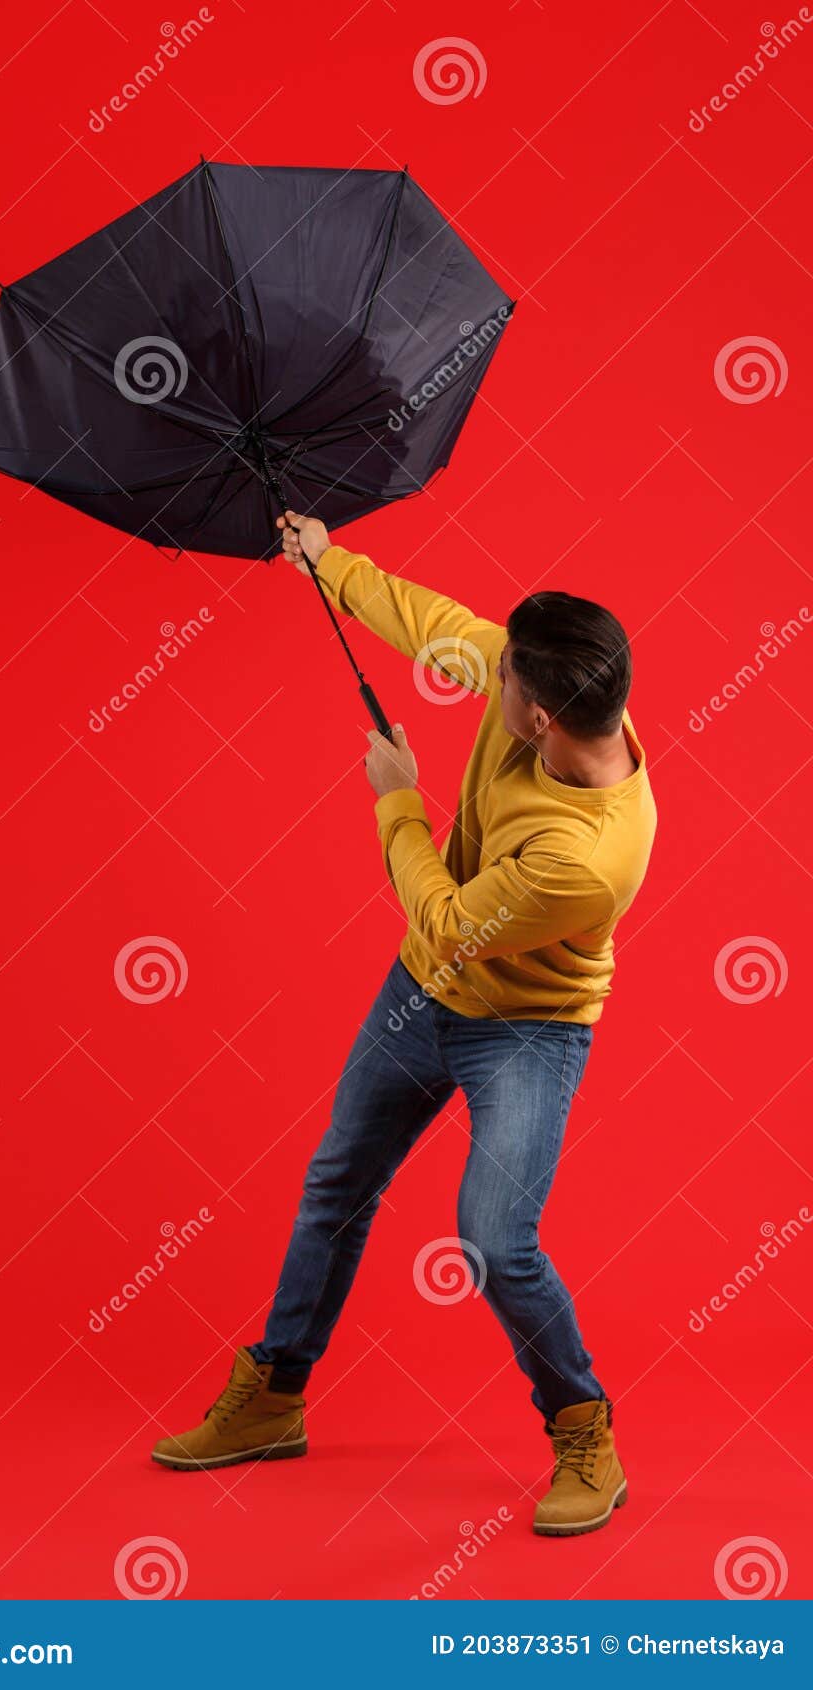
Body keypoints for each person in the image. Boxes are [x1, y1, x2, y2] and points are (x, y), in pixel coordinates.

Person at [152, 512, 657, 1537]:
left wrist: (398, 802)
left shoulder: (585, 851)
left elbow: (443, 918)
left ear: (541, 718)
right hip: (419, 996)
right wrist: (328, 562)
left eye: (503, 680)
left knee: (492, 1239)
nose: (487, 673)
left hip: (523, 1024)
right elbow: (432, 624)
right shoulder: (548, 690)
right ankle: (276, 1395)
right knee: (338, 1179)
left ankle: (582, 1427)